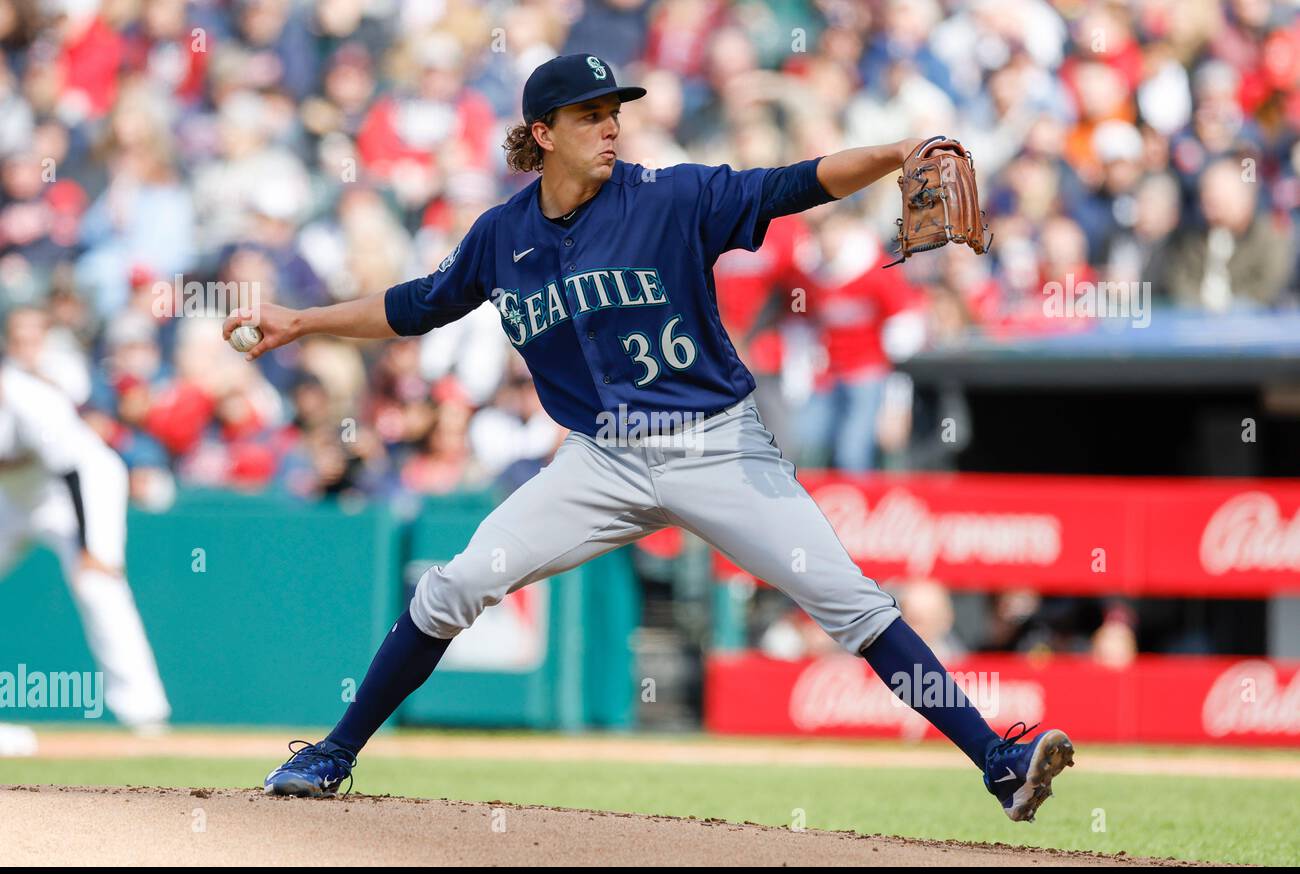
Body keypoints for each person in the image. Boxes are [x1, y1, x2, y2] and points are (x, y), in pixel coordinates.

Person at [236, 54, 1073, 822]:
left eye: (615, 112)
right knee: (453, 588)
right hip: (598, 460)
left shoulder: (670, 197)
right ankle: (332, 753)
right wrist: (302, 320)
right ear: (543, 133)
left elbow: (791, 184)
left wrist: (895, 151)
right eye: (590, 114)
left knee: (851, 603)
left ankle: (998, 761)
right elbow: (416, 305)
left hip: (715, 443)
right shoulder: (502, 235)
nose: (611, 126)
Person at [0, 361, 171, 731]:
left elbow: (71, 470)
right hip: (13, 499)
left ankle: (144, 713)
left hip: (80, 488)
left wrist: (88, 547)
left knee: (97, 586)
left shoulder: (31, 398)